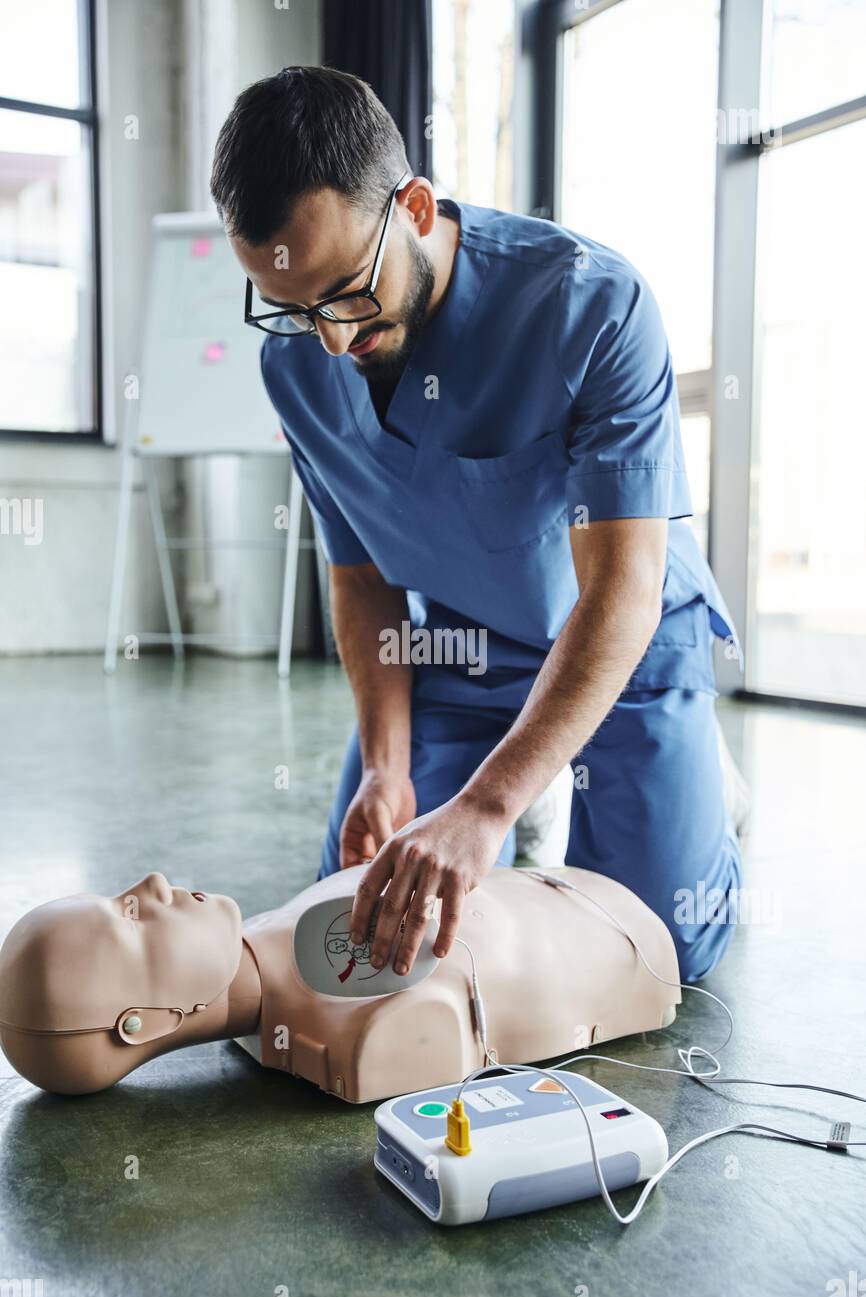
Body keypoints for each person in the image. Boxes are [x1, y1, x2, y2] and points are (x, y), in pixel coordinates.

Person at [210, 66, 743, 987]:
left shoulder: (593, 305)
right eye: (293, 310)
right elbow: (361, 579)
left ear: (413, 206)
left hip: (627, 650)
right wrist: (386, 768)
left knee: (659, 949)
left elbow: (623, 589)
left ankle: (693, 792)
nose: (330, 340)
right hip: (462, 651)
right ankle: (520, 784)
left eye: (345, 292)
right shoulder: (293, 365)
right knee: (363, 919)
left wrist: (486, 807)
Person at [0, 868, 679, 1101]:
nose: (149, 883)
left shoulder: (280, 930)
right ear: (139, 1022)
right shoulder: (360, 1033)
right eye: (127, 915)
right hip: (624, 939)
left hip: (594, 905)